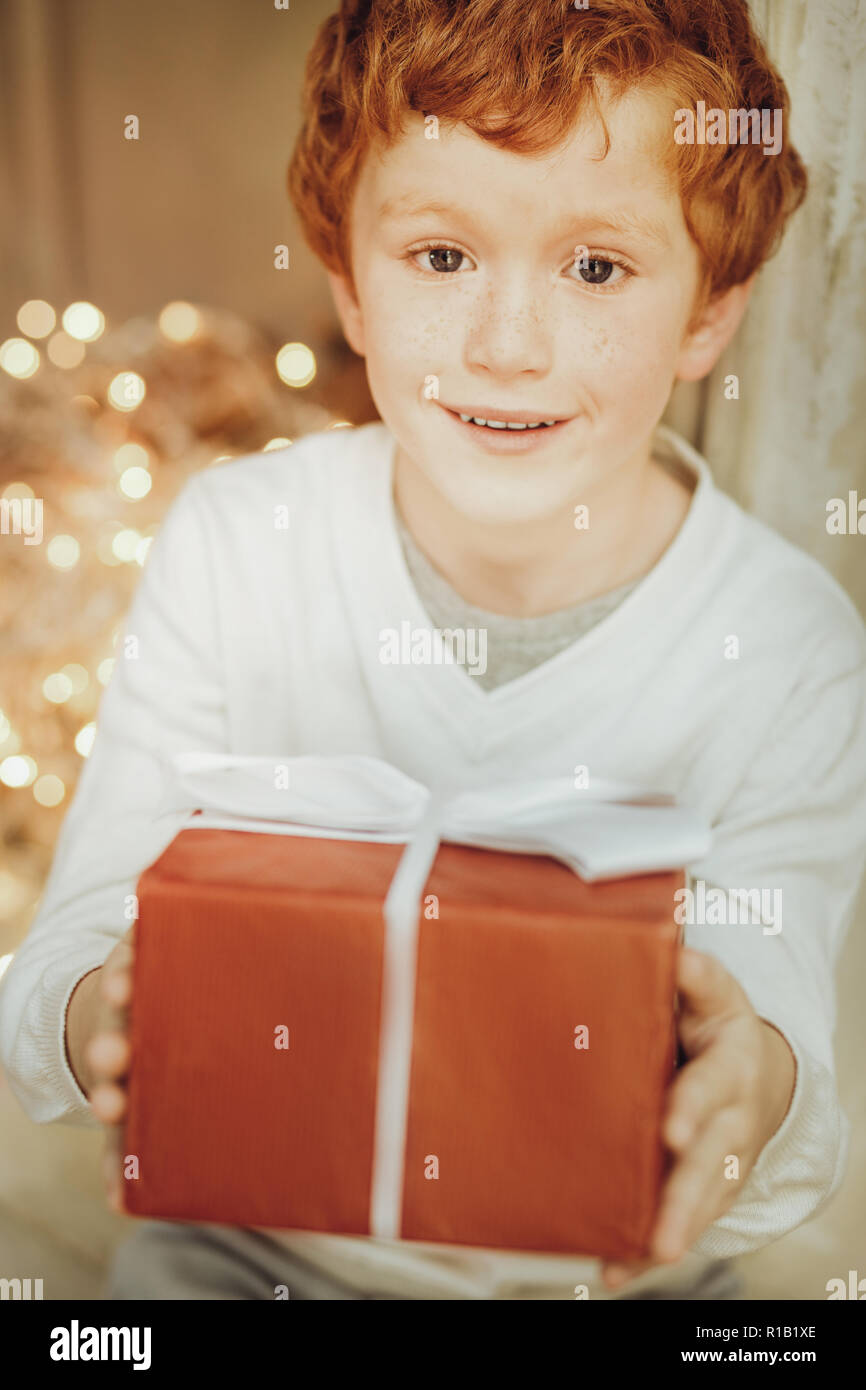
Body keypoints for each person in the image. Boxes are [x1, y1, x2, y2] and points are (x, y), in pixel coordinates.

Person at [1, 0, 864, 1301]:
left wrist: (754, 1079)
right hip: (251, 1248)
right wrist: (97, 1010)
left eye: (596, 270)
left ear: (709, 313)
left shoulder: (789, 646)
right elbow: (71, 944)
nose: (505, 347)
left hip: (617, 1280)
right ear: (349, 281)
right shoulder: (239, 545)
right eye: (442, 255)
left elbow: (780, 1013)